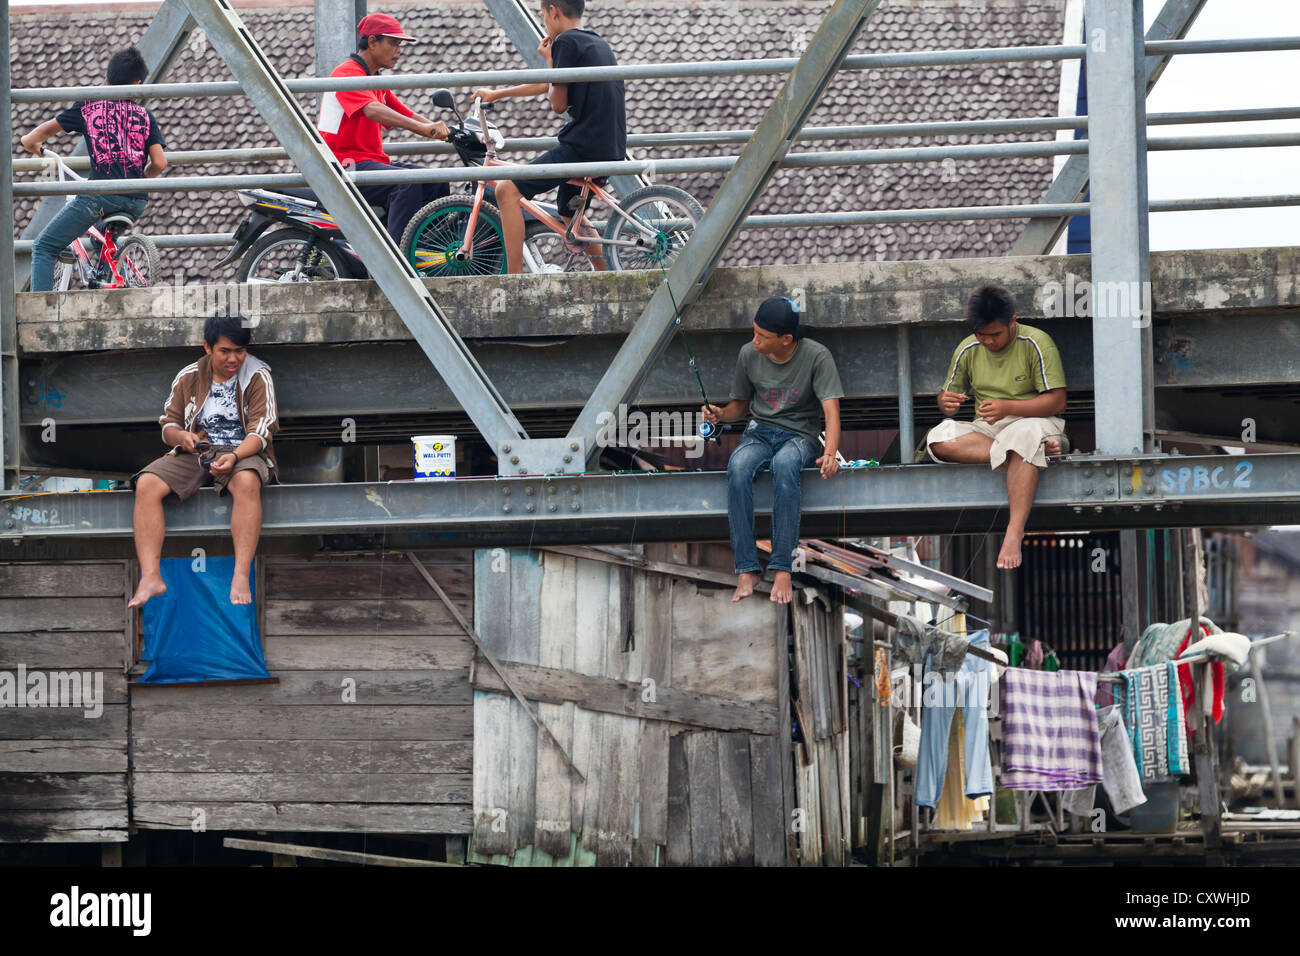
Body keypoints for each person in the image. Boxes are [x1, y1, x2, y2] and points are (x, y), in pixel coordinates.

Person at [128, 314, 279, 609]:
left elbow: (262, 432)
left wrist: (234, 456)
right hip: (198, 451)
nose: (233, 358)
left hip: (243, 451)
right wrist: (182, 437)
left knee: (247, 482)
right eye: (225, 351)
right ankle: (151, 576)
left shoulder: (258, 375)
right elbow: (167, 425)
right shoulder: (188, 376)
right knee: (146, 483)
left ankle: (239, 574)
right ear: (207, 347)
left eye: (240, 351)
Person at [702, 297, 844, 605]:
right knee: (737, 467)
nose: (754, 341)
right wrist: (720, 415)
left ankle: (782, 568)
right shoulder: (747, 355)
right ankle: (747, 568)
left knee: (785, 466)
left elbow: (831, 410)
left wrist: (830, 452)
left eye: (762, 336)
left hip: (800, 435)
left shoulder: (817, 356)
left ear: (786, 339)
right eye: (753, 332)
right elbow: (739, 406)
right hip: (760, 431)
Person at [472, 0, 627, 273]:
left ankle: (515, 280)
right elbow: (549, 82)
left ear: (553, 11)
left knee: (507, 190)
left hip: (583, 145)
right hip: (608, 144)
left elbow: (557, 104)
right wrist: (497, 94)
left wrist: (549, 59)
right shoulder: (596, 43)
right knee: (570, 215)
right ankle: (608, 273)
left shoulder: (565, 42)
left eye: (543, 15)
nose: (544, 22)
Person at [926, 284, 1068, 570]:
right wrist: (946, 401)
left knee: (1026, 435)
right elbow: (946, 396)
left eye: (995, 335)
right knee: (938, 438)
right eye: (981, 335)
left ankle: (1014, 532)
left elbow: (1057, 401)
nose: (988, 342)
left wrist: (1008, 407)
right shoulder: (967, 348)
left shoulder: (1037, 342)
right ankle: (1030, 454)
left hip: (1036, 422)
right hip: (989, 430)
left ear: (1012, 322)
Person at [21, 47, 167, 293]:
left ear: (106, 80)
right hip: (137, 199)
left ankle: (40, 309)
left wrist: (31, 142)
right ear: (139, 83)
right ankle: (112, 278)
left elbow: (40, 133)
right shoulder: (145, 115)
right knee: (100, 233)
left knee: (44, 247)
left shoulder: (89, 106)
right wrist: (140, 180)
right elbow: (160, 163)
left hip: (99, 196)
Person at [318, 13, 451, 245]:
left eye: (399, 44)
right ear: (372, 42)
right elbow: (373, 111)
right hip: (343, 164)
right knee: (406, 183)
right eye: (393, 43)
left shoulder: (374, 79)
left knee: (434, 179)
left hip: (367, 161)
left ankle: (427, 248)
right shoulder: (348, 73)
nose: (399, 50)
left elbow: (404, 113)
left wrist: (444, 130)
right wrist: (426, 129)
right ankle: (400, 256)